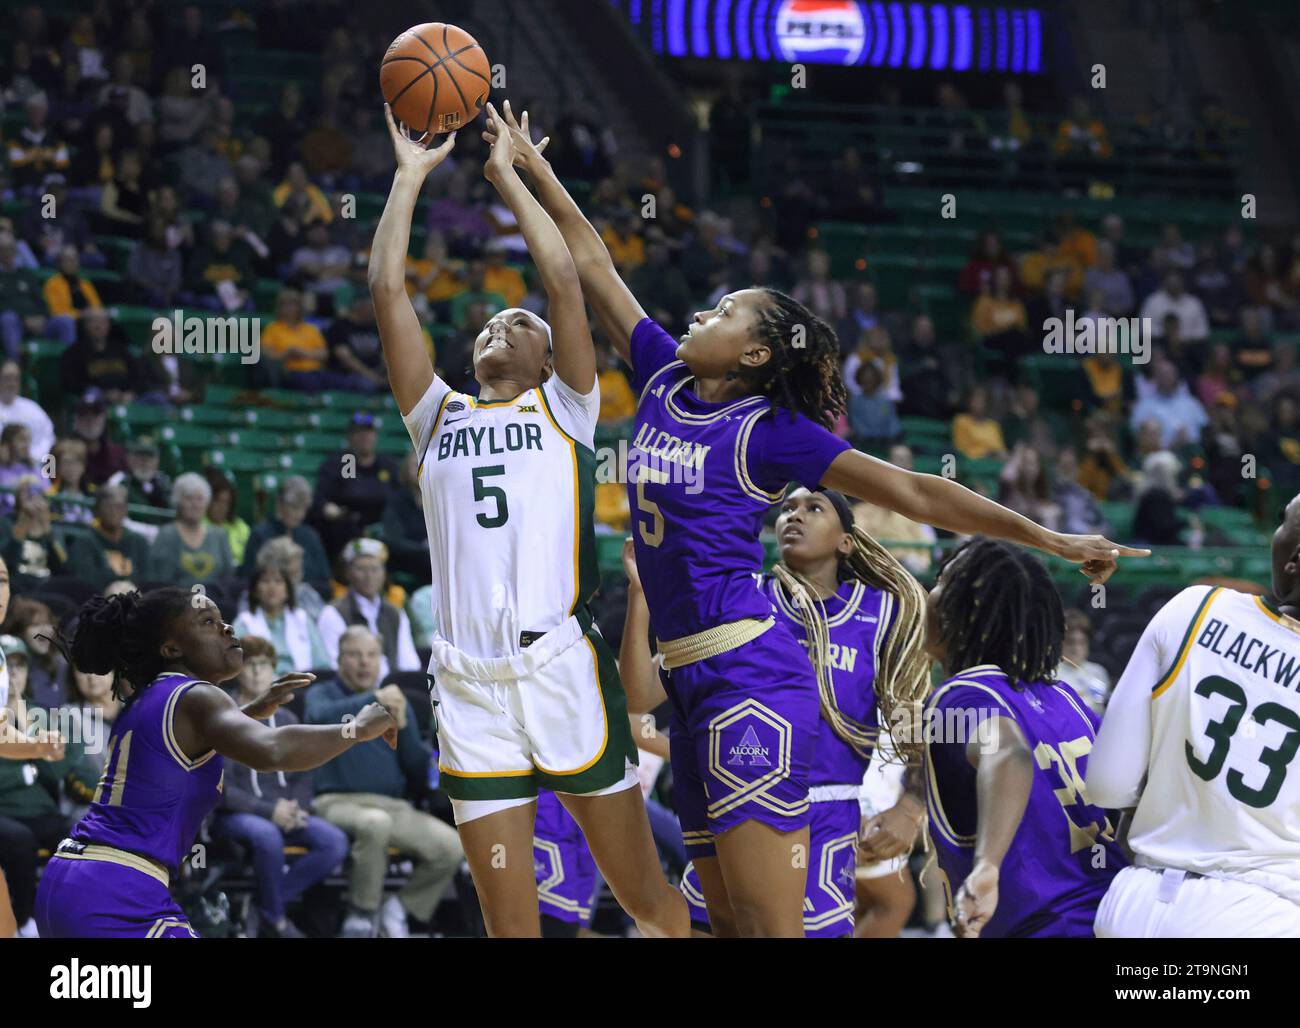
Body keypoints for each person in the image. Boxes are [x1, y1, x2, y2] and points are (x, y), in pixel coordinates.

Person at [500, 100, 1145, 935]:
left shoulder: (770, 434)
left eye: (725, 313)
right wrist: (531, 168)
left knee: (774, 929)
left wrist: (1052, 538)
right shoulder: (661, 373)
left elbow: (915, 492)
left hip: (748, 679)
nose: (702, 315)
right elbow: (591, 264)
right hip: (686, 683)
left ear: (758, 355)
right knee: (719, 923)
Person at [369, 100, 686, 938]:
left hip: (560, 669)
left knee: (648, 898)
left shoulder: (568, 408)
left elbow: (565, 281)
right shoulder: (437, 416)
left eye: (520, 323)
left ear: (550, 358)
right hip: (469, 685)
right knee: (511, 924)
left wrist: (507, 174)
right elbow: (386, 289)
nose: (498, 323)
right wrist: (408, 180)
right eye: (487, 322)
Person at [620, 486, 931, 938]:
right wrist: (640, 596)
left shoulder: (881, 612)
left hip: (825, 812)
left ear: (847, 541)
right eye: (786, 509)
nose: (794, 516)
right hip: (736, 803)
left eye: (813, 508)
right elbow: (640, 695)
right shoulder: (741, 600)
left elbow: (916, 718)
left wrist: (912, 806)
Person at [31, 587, 396, 937]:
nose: (227, 628)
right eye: (206, 621)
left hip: (73, 879)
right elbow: (273, 751)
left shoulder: (151, 696)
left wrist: (246, 713)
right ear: (171, 647)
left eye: (222, 619)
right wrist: (357, 728)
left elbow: (184, 751)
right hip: (117, 891)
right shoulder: (197, 696)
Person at [1088, 492, 1300, 936]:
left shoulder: (1196, 606)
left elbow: (1106, 785)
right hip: (1265, 916)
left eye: (1282, 521)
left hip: (1135, 904)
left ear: (1294, 557)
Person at [922, 538, 1127, 937]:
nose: (930, 593)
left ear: (961, 611)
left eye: (942, 582)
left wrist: (987, 865)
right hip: (1117, 911)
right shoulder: (1068, 698)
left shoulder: (961, 695)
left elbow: (1007, 753)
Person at [304, 627, 463, 939]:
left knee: (452, 847)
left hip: (394, 806)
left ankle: (400, 909)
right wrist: (372, 700)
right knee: (374, 823)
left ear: (381, 662)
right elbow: (318, 717)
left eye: (372, 655)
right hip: (334, 802)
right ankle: (361, 914)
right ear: (339, 660)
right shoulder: (323, 694)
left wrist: (402, 727)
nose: (365, 662)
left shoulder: (394, 702)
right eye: (355, 655)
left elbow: (417, 771)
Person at [210, 635, 350, 938]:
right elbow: (221, 786)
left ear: (274, 670)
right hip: (234, 814)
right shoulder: (223, 715)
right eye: (249, 664)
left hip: (284, 810)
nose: (258, 672)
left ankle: (266, 907)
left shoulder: (286, 717)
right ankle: (276, 919)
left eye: (264, 664)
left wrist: (295, 807)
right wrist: (268, 810)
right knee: (267, 835)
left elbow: (304, 772)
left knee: (334, 842)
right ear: (236, 669)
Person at [316, 539, 418, 680]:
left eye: (375, 569)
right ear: (348, 573)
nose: (369, 576)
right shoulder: (333, 613)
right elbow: (333, 665)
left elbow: (409, 662)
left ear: (384, 573)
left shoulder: (395, 613)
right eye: (361, 569)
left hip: (393, 688)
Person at [234, 566, 329, 675]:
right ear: (255, 590)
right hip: (261, 686)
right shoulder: (244, 622)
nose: (272, 587)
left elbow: (322, 663)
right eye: (265, 581)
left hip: (304, 684)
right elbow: (237, 663)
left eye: (278, 581)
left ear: (288, 591)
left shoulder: (302, 619)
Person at [145, 473, 235, 588]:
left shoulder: (220, 535)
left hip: (215, 602)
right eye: (189, 498)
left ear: (207, 502)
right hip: (177, 602)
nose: (195, 505)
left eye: (200, 499)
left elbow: (229, 577)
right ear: (177, 501)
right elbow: (159, 581)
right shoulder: (166, 535)